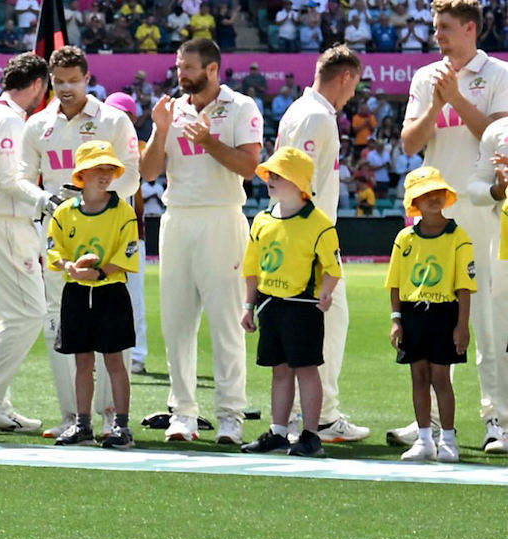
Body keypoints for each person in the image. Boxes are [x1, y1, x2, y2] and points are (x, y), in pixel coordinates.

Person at [143, 33, 265, 448]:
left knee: (227, 322)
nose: (181, 75)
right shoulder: (171, 109)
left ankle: (230, 416)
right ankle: (183, 413)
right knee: (177, 323)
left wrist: (209, 141)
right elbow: (148, 171)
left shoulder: (241, 106)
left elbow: (250, 168)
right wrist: (161, 131)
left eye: (188, 68)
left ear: (212, 69)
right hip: (176, 218)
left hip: (221, 217)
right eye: (179, 67)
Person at [398, 0, 508, 452]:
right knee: (427, 310)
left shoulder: (499, 75)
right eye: (435, 26)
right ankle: (430, 423)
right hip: (432, 210)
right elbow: (408, 143)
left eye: (444, 26)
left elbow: (499, 137)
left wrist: (457, 98)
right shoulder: (426, 77)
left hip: (482, 207)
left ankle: (497, 418)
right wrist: (434, 103)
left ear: (470, 29)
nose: (437, 35)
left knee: (487, 315)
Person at [274, 48, 370, 444]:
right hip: (312, 243)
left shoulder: (300, 109)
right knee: (328, 327)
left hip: (300, 239)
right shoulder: (316, 116)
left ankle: (306, 414)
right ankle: (323, 416)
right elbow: (302, 186)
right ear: (345, 76)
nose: (352, 95)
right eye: (355, 84)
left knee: (316, 328)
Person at [0, 55, 57, 435]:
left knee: (1, 318)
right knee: (29, 312)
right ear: (37, 84)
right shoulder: (7, 118)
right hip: (5, 223)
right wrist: (45, 200)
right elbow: (7, 178)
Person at [243, 145, 337, 460]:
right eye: (269, 174)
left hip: (303, 305)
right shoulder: (262, 220)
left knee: (306, 369)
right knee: (279, 370)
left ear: (298, 181)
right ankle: (279, 431)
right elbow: (252, 267)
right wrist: (248, 305)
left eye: (278, 175)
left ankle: (311, 435)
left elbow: (333, 267)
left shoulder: (319, 223)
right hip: (270, 305)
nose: (269, 179)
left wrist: (327, 290)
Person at [47, 141, 143, 450]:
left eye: (108, 169)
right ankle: (82, 425)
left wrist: (98, 273)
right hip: (76, 294)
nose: (104, 175)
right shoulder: (64, 212)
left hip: (110, 293)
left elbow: (126, 255)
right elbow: (54, 250)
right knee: (82, 361)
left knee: (115, 361)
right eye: (97, 169)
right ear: (82, 174)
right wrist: (70, 267)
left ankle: (122, 426)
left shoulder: (124, 212)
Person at [389, 168, 481, 463]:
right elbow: (395, 283)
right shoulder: (405, 238)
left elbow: (464, 285)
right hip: (413, 313)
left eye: (437, 192)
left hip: (445, 313)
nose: (433, 198)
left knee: (441, 376)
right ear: (414, 199)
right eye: (425, 193)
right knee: (418, 375)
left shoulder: (458, 236)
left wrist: (461, 325)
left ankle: (449, 439)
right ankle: (424, 439)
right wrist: (396, 319)